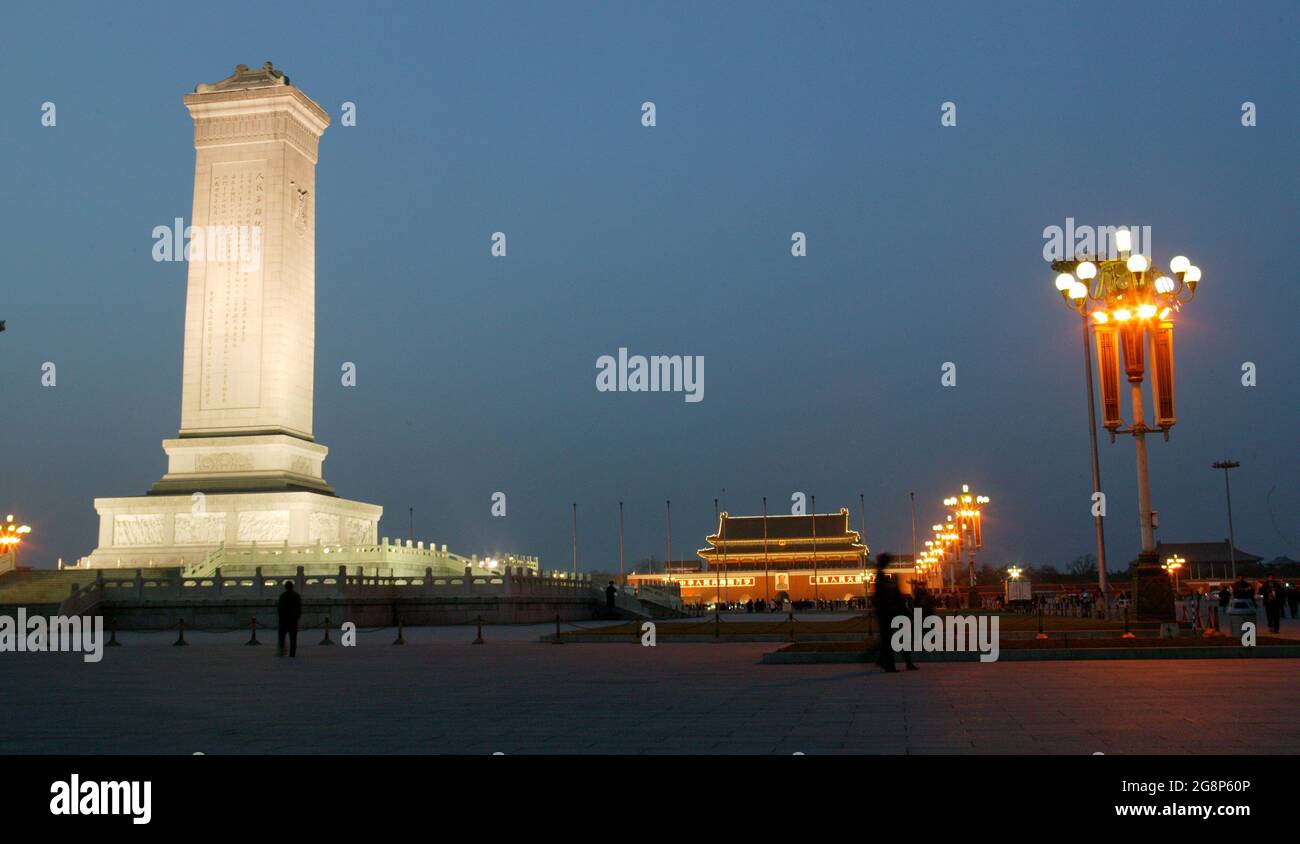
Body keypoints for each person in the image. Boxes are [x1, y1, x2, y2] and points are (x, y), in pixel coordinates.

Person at [873, 554, 916, 673]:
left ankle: (885, 661)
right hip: (887, 613)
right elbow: (882, 595)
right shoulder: (880, 576)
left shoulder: (880, 575)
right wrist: (894, 586)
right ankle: (889, 664)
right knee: (891, 639)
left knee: (889, 639)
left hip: (888, 613)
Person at [277, 580, 302, 657]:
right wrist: (297, 617)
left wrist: (280, 617)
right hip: (293, 620)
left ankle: (282, 651)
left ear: (286, 587)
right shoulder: (296, 596)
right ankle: (292, 653)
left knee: (282, 637)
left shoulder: (283, 596)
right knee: (293, 638)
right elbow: (299, 608)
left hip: (284, 620)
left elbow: (279, 608)